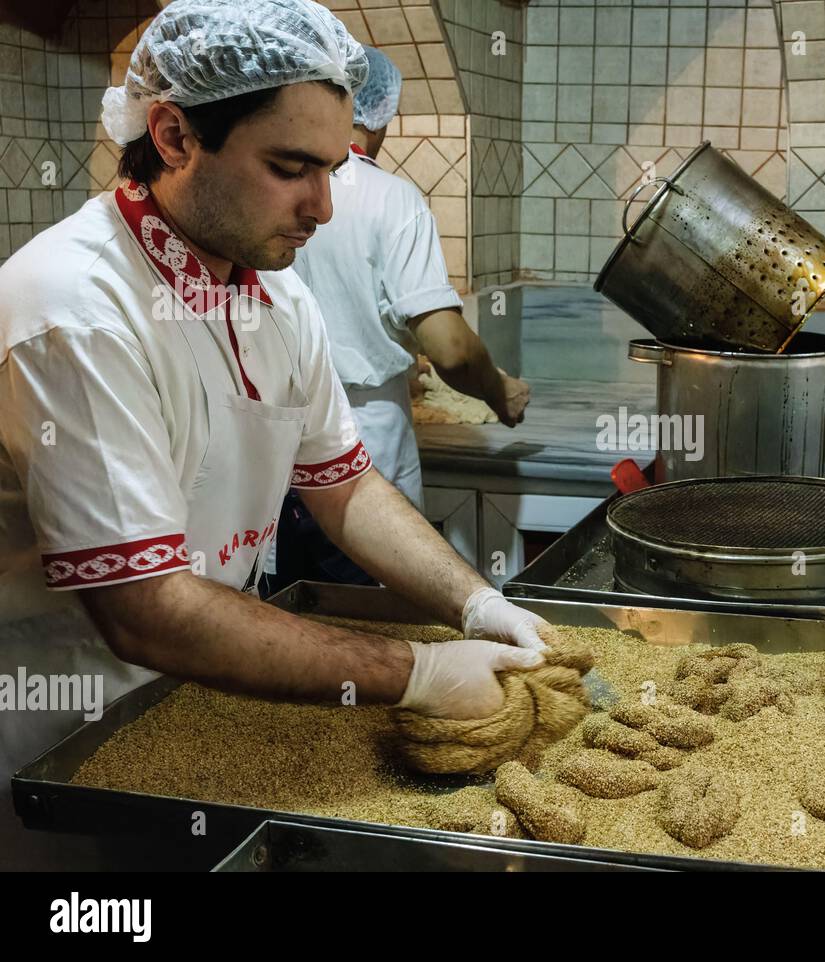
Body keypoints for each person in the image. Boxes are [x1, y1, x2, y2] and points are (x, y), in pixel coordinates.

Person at [0, 0, 546, 869]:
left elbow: (344, 486)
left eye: (331, 167)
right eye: (291, 167)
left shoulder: (273, 292)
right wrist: (418, 673)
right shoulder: (77, 312)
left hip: (203, 698)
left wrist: (476, 603)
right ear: (174, 136)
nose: (321, 206)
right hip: (74, 741)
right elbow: (148, 613)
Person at [267, 45, 529, 592]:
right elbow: (451, 348)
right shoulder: (391, 200)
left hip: (272, 448)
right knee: (374, 613)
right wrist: (497, 391)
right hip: (365, 446)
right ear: (382, 115)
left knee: (291, 611)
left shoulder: (268, 192)